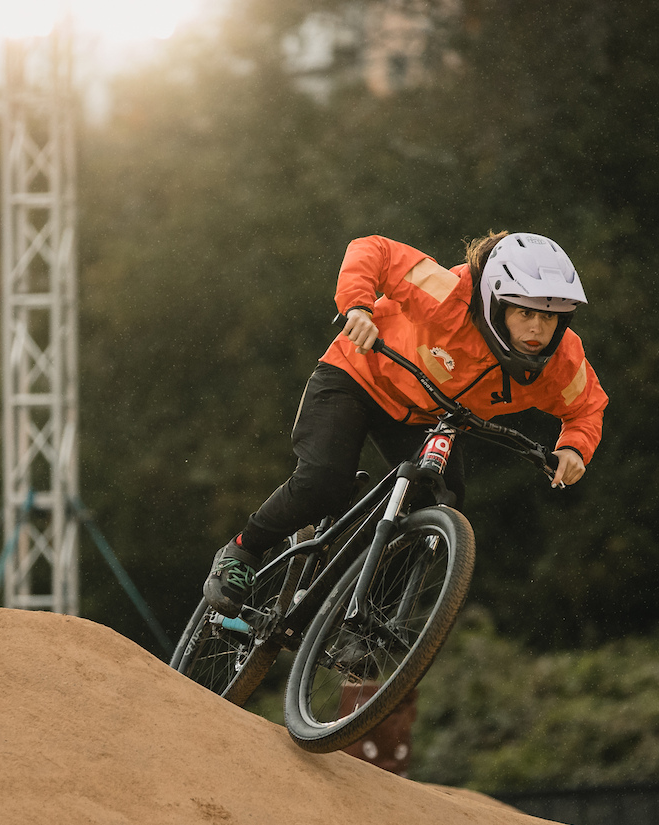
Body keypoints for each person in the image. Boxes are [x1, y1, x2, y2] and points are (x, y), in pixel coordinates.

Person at [203, 230, 609, 615]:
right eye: (525, 312)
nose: (537, 329)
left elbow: (587, 406)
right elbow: (374, 250)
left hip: (428, 417)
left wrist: (574, 448)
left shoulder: (559, 361)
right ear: (495, 302)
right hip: (357, 375)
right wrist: (358, 307)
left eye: (551, 318)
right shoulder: (447, 295)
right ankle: (243, 549)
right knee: (324, 482)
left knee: (442, 501)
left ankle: (367, 620)